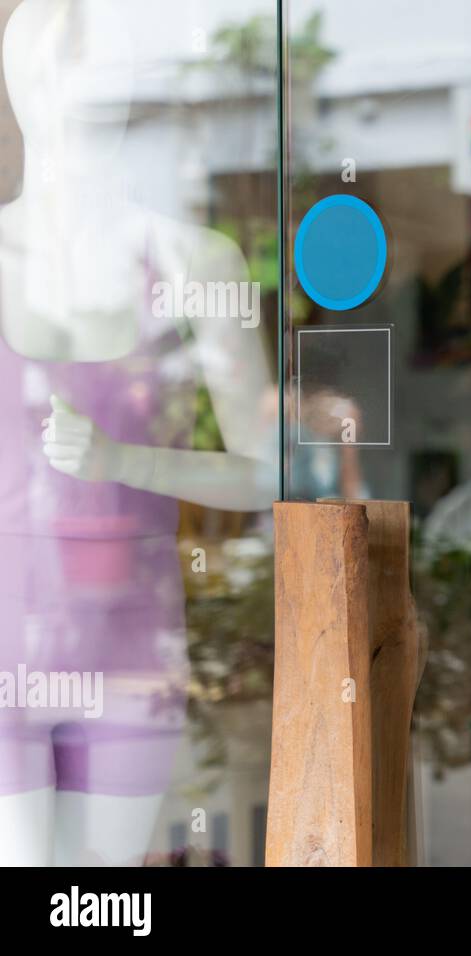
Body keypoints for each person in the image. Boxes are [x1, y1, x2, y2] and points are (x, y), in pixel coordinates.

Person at [0, 0, 275, 865]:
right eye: (51, 70)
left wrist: (124, 461)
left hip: (132, 647)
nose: (76, 96)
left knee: (97, 912)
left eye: (98, 73)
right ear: (18, 88)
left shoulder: (196, 262)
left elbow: (268, 474)